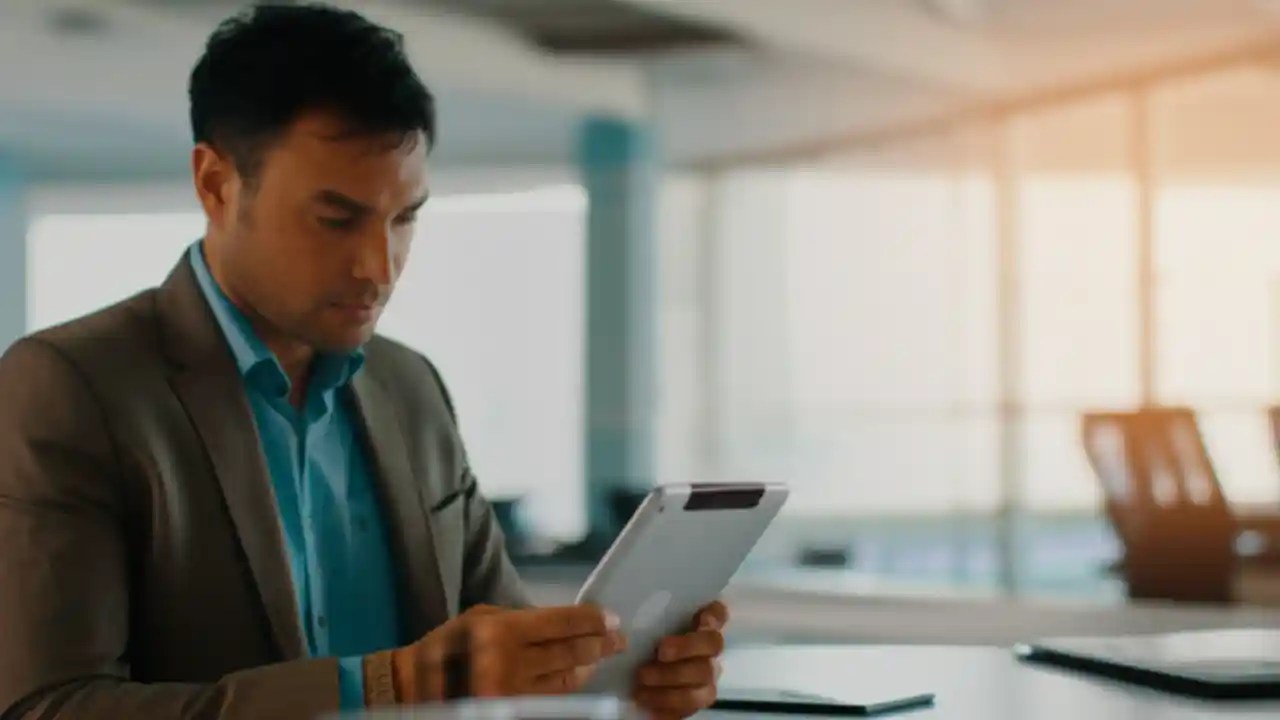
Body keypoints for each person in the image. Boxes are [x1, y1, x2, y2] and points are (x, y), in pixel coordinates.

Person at [0, 4, 726, 718]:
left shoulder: (411, 388)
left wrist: (616, 679)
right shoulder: (69, 387)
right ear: (217, 185)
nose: (379, 266)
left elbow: (500, 661)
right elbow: (49, 705)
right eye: (336, 219)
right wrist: (391, 685)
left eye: (404, 217)